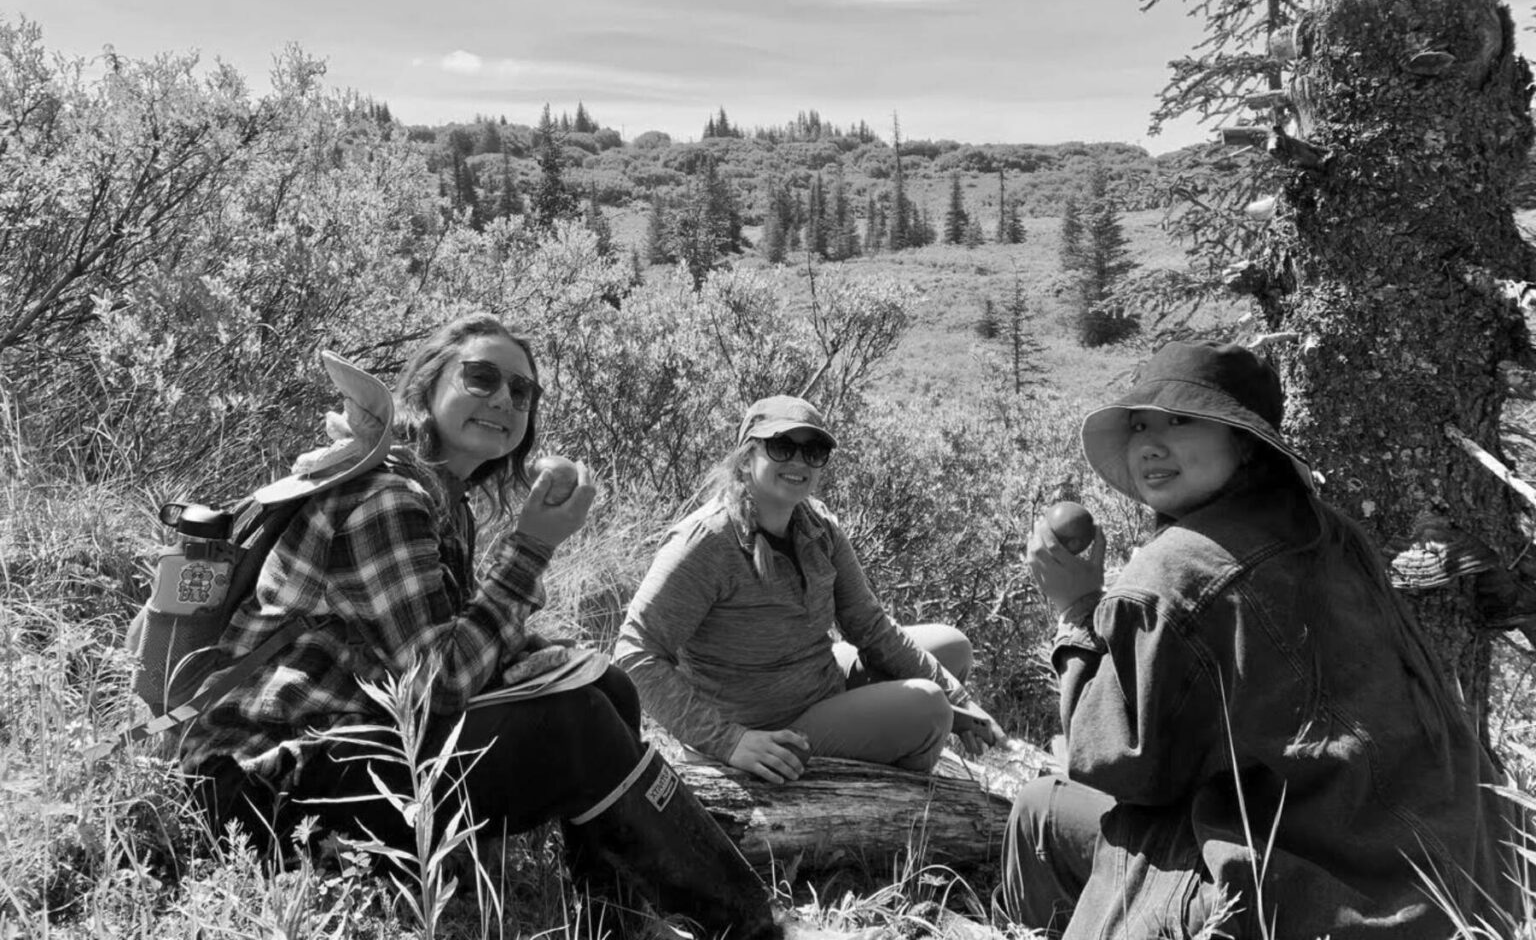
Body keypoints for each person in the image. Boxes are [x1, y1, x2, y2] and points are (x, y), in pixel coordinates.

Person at [178, 314, 839, 939]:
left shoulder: (439, 501)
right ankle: (751, 927)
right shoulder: (387, 498)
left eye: (521, 391)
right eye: (480, 378)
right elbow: (438, 682)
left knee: (607, 688)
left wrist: (541, 653)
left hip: (344, 749)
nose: (503, 400)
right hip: (266, 787)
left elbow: (447, 646)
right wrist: (532, 548)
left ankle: (607, 912)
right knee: (574, 722)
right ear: (426, 388)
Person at [998, 341, 1519, 940]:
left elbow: (1111, 763)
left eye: (1182, 419)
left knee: (1040, 812)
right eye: (1141, 423)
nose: (1150, 442)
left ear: (1243, 442)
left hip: (1307, 904)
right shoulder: (1332, 534)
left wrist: (1076, 610)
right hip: (1448, 891)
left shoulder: (1177, 571)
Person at [616, 394, 1004, 785]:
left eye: (814, 450)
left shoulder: (817, 526)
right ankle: (883, 805)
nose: (799, 462)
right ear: (747, 457)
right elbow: (635, 653)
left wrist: (961, 700)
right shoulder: (707, 541)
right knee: (928, 708)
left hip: (820, 684)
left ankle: (888, 750)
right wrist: (728, 741)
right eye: (782, 447)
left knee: (951, 648)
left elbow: (869, 625)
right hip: (767, 730)